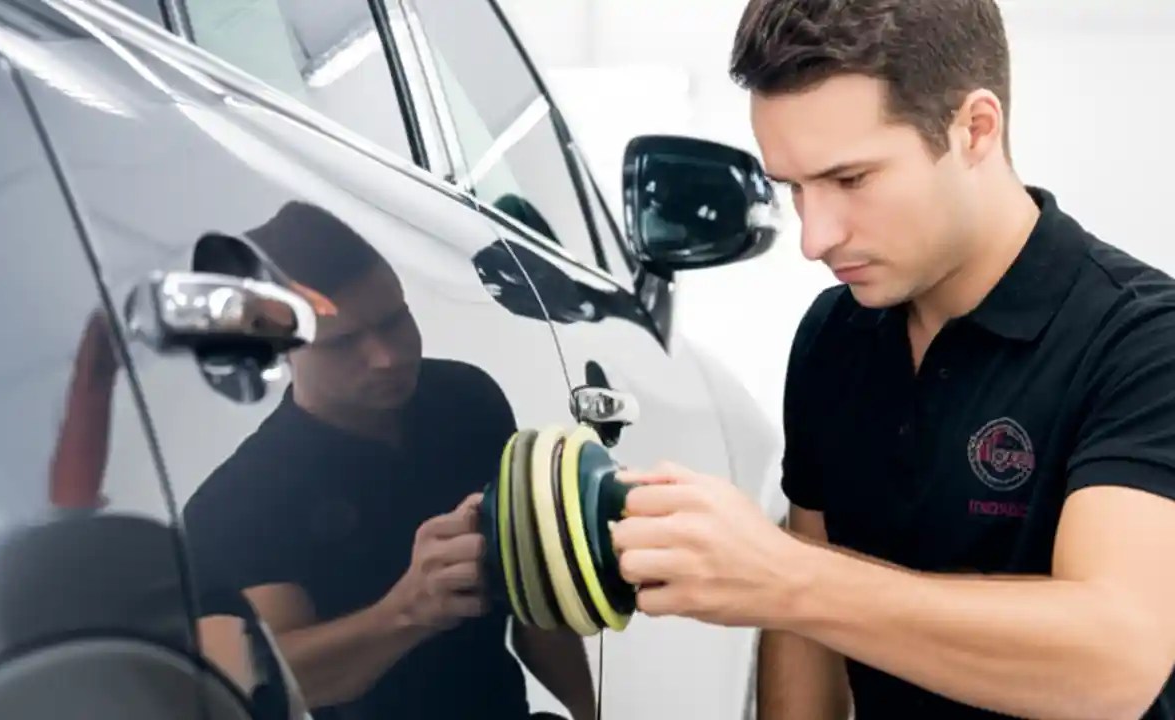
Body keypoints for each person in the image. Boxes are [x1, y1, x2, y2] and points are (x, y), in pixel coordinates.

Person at [608, 1, 1175, 719]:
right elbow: (805, 641)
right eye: (794, 188)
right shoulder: (833, 337)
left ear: (974, 129)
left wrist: (780, 573)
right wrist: (786, 582)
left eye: (851, 181)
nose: (814, 237)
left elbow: (1114, 663)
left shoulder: (1142, 340)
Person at [181, 201, 596, 720]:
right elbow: (275, 681)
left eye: (394, 319)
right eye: (343, 342)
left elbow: (533, 600)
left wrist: (587, 710)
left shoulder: (468, 399)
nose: (388, 356)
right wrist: (408, 611)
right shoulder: (238, 504)